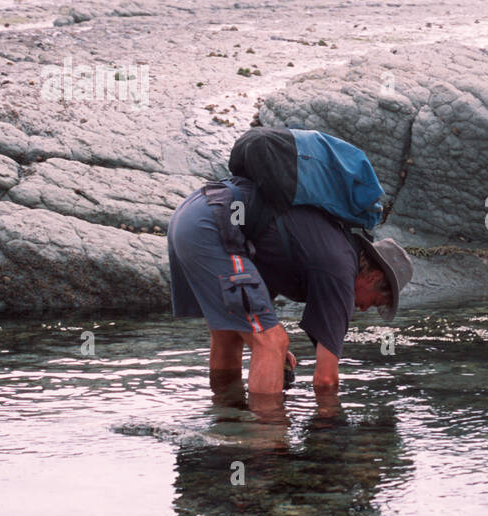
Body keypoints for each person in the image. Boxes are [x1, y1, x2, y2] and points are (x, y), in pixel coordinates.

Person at [167, 172, 412, 406]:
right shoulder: (340, 270)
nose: (363, 307)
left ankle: (227, 422)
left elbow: (256, 300)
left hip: (194, 211)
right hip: (215, 224)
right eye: (375, 301)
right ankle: (268, 442)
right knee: (272, 342)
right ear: (373, 277)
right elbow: (326, 381)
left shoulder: (326, 246)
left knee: (231, 335)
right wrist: (330, 428)